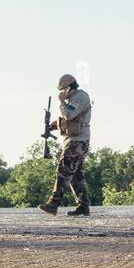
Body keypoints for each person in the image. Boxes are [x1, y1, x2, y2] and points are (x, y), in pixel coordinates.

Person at [37, 74, 92, 217]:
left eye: (62, 90)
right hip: (74, 140)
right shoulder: (73, 100)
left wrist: (61, 102)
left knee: (63, 170)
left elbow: (69, 115)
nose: (61, 94)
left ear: (69, 88)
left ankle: (53, 204)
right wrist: (52, 126)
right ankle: (83, 206)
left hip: (77, 141)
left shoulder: (80, 97)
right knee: (76, 176)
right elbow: (66, 119)